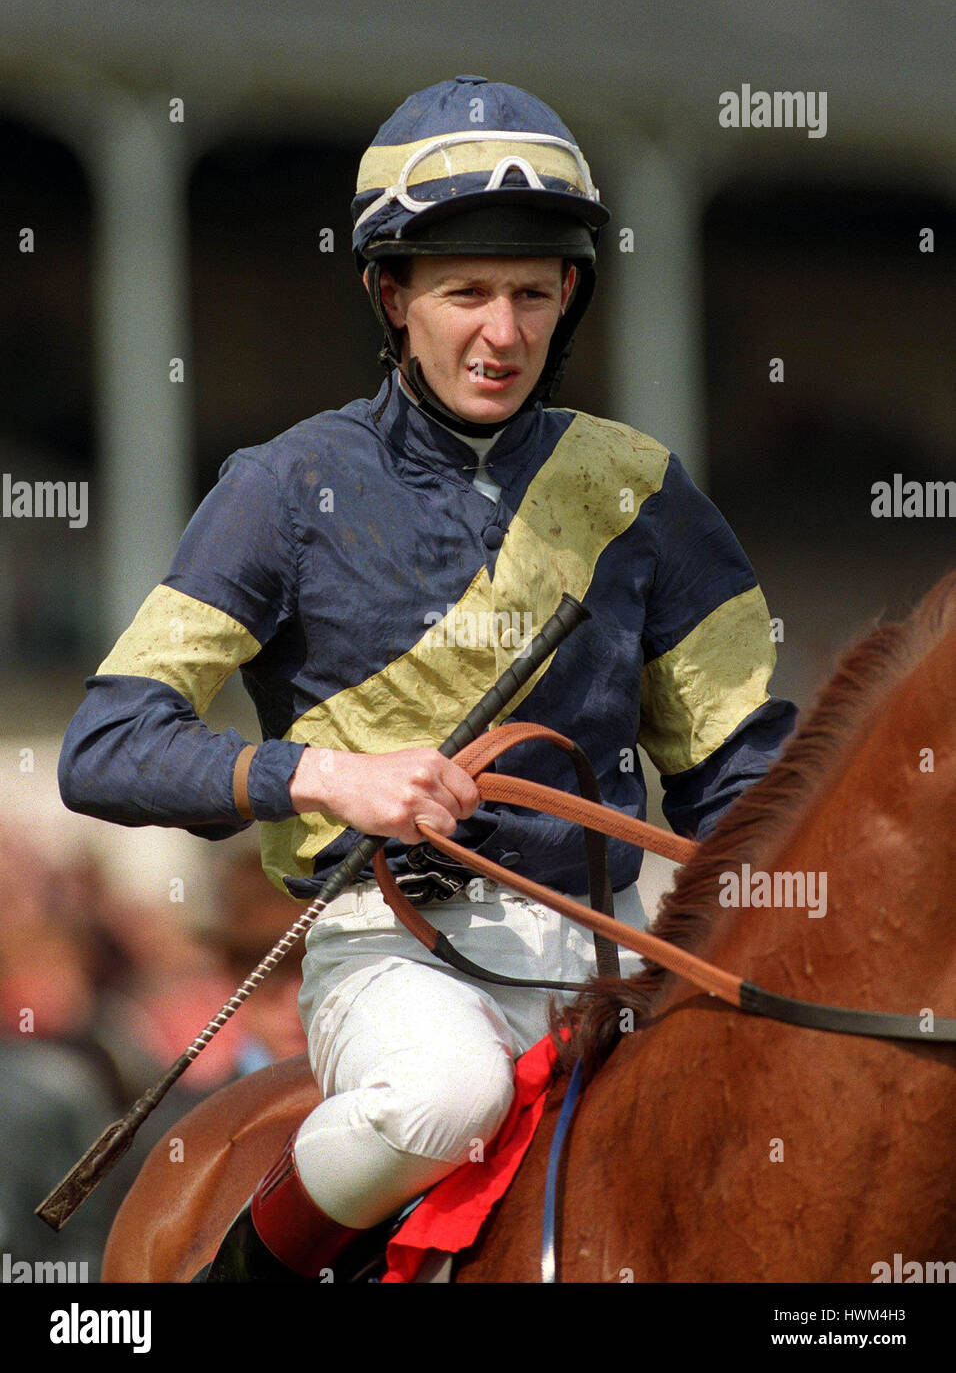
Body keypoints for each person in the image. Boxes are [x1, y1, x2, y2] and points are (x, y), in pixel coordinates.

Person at [59, 76, 797, 1281]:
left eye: (530, 292)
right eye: (464, 293)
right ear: (392, 297)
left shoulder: (645, 491)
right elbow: (104, 745)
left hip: (617, 940)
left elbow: (741, 779)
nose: (500, 333)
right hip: (393, 950)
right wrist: (325, 777)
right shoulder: (281, 488)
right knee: (442, 1100)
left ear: (570, 296)